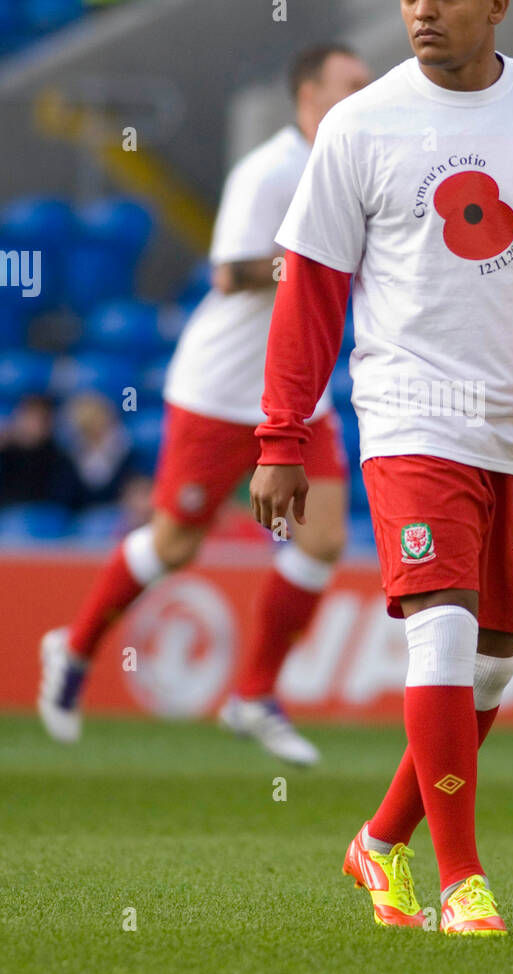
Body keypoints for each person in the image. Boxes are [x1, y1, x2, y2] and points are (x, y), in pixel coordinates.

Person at [250, 0, 513, 934]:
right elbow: (310, 294)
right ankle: (462, 882)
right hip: (409, 410)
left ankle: (378, 841)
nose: (422, 12)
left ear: (497, 5)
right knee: (444, 623)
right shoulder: (361, 125)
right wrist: (280, 436)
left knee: (497, 652)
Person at [39, 44, 372, 760]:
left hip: (299, 395)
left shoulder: (353, 169)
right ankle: (75, 646)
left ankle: (253, 695)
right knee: (175, 545)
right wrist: (308, 260)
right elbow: (228, 274)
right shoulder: (272, 171)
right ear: (308, 94)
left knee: (321, 539)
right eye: (351, 84)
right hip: (222, 391)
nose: (364, 95)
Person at [0, 395, 79, 508]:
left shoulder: (59, 460)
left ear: (48, 424)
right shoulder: (6, 454)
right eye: (26, 417)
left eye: (37, 419)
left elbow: (59, 503)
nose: (28, 425)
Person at [62, 392, 136, 510]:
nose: (93, 424)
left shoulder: (126, 449)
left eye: (96, 417)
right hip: (82, 515)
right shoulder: (71, 453)